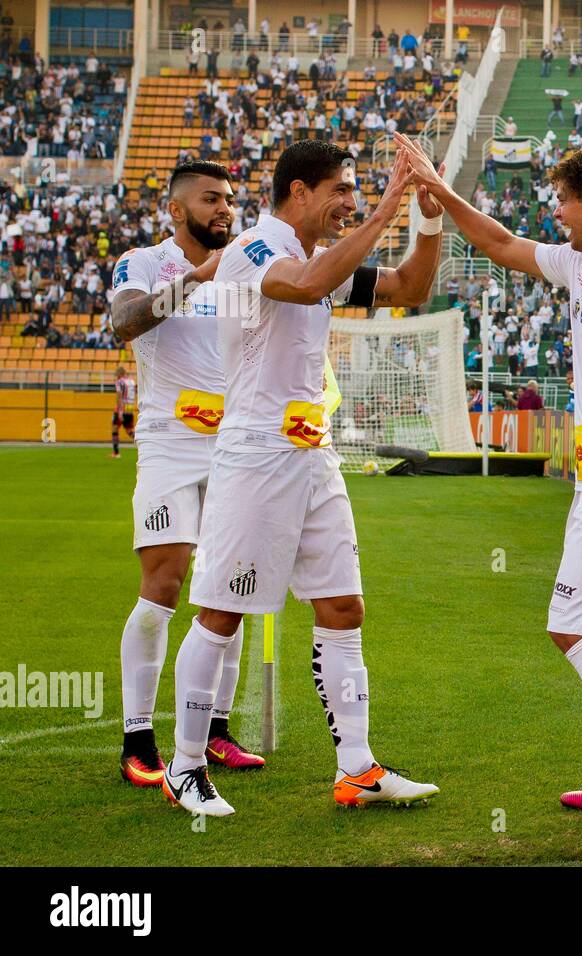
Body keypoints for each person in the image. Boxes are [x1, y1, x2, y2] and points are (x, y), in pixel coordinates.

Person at [395, 133, 582, 844]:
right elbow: (498, 242)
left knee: (569, 623)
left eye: (562, 198)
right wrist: (439, 189)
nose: (553, 210)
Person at [166, 141, 445, 816]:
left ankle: (357, 768)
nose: (350, 201)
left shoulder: (321, 258)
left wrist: (428, 219)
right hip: (256, 454)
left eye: (355, 191)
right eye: (341, 190)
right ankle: (184, 766)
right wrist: (383, 211)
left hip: (313, 456)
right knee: (222, 613)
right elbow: (306, 284)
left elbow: (410, 289)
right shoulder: (251, 251)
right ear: (298, 192)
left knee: (343, 607)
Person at [109, 161, 265, 789]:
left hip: (236, 444)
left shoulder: (245, 265)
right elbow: (124, 323)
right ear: (177, 210)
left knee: (231, 590)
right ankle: (137, 737)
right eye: (211, 199)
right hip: (172, 443)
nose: (225, 208)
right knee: (164, 585)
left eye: (230, 199)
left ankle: (215, 732)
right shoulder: (143, 262)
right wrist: (194, 279)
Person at [111, 365, 137, 458]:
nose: (116, 376)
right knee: (129, 430)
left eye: (117, 374)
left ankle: (116, 453)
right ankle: (144, 445)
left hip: (122, 408)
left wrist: (120, 411)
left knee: (114, 428)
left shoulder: (119, 382)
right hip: (130, 409)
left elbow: (119, 397)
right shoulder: (132, 382)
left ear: (120, 373)